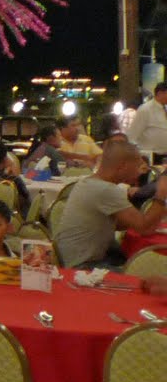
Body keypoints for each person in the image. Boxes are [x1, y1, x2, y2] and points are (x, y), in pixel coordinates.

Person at [57, 140, 167, 268]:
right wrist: (161, 194)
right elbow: (145, 228)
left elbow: (121, 224)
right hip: (83, 267)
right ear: (122, 167)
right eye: (137, 167)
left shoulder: (88, 183)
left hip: (70, 258)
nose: (140, 172)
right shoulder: (105, 190)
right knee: (148, 274)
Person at [127, 81, 167, 158]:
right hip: (152, 155)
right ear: (160, 93)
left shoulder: (165, 109)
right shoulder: (145, 109)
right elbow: (132, 135)